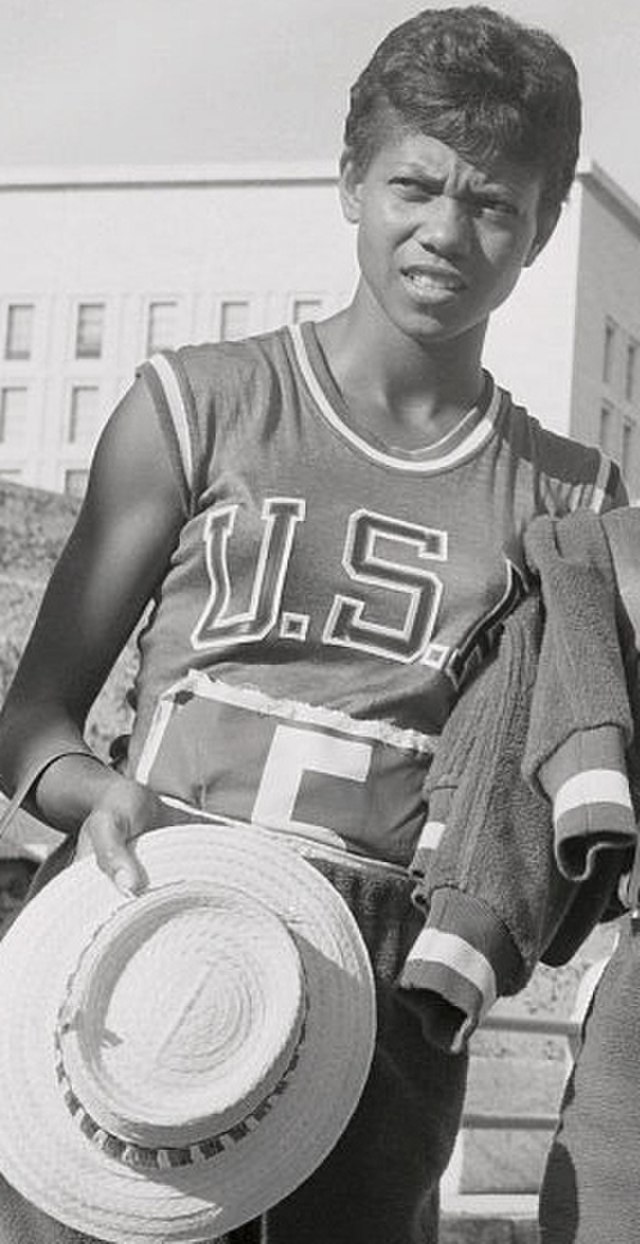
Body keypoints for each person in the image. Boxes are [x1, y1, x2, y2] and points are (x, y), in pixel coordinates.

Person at [0, 6, 628, 1243]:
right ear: (351, 179)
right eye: (414, 184)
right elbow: (32, 722)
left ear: (544, 228)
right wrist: (90, 793)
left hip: (387, 984)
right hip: (155, 927)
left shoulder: (573, 500)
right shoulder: (198, 404)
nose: (445, 230)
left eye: (493, 203)